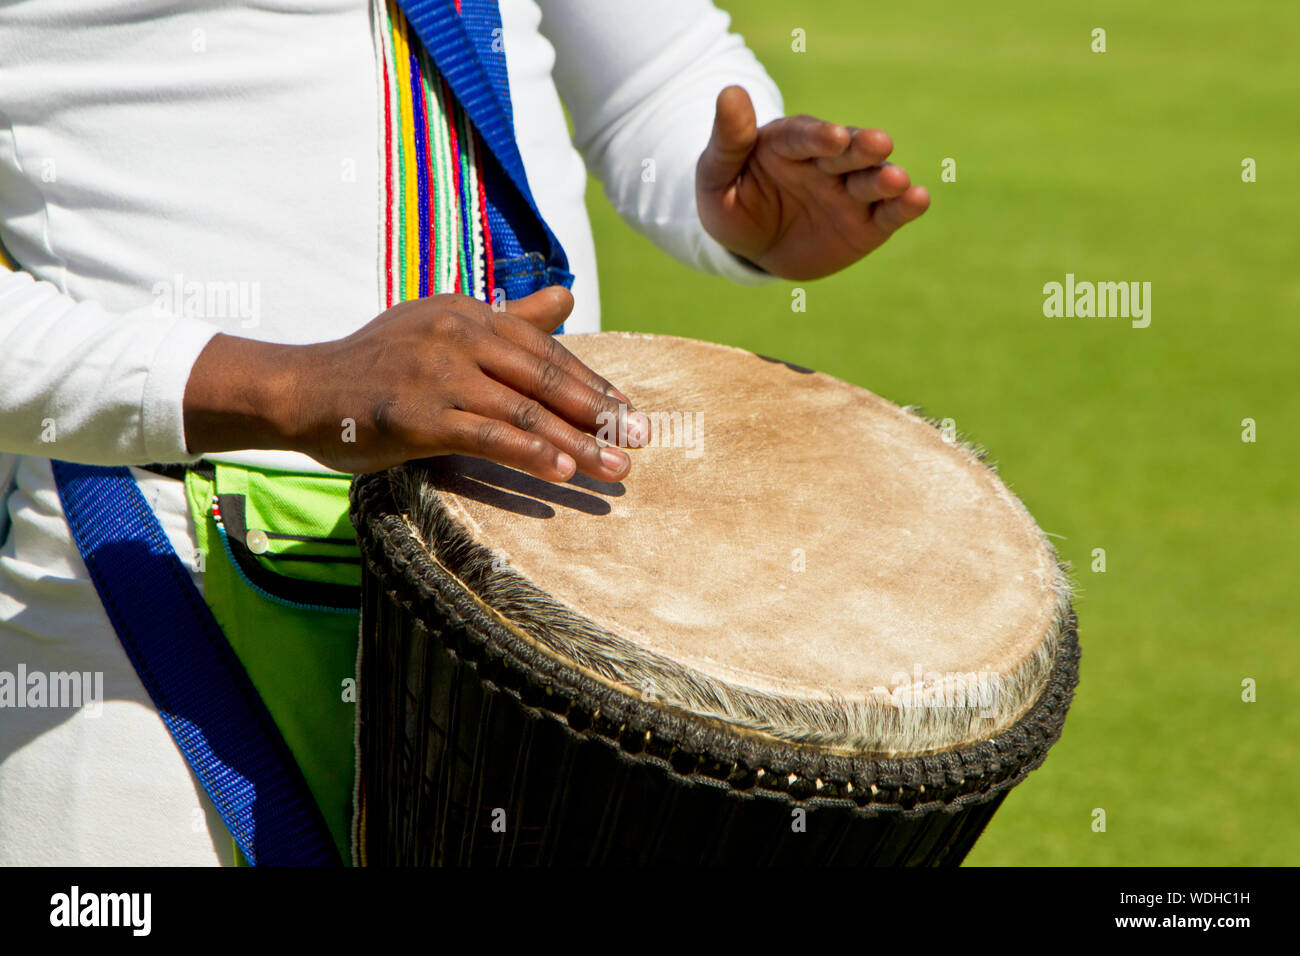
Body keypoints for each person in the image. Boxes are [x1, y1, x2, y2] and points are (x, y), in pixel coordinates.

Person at [0, 0, 928, 865]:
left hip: (550, 566)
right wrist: (289, 386)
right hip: (137, 586)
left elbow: (658, 64)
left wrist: (730, 193)